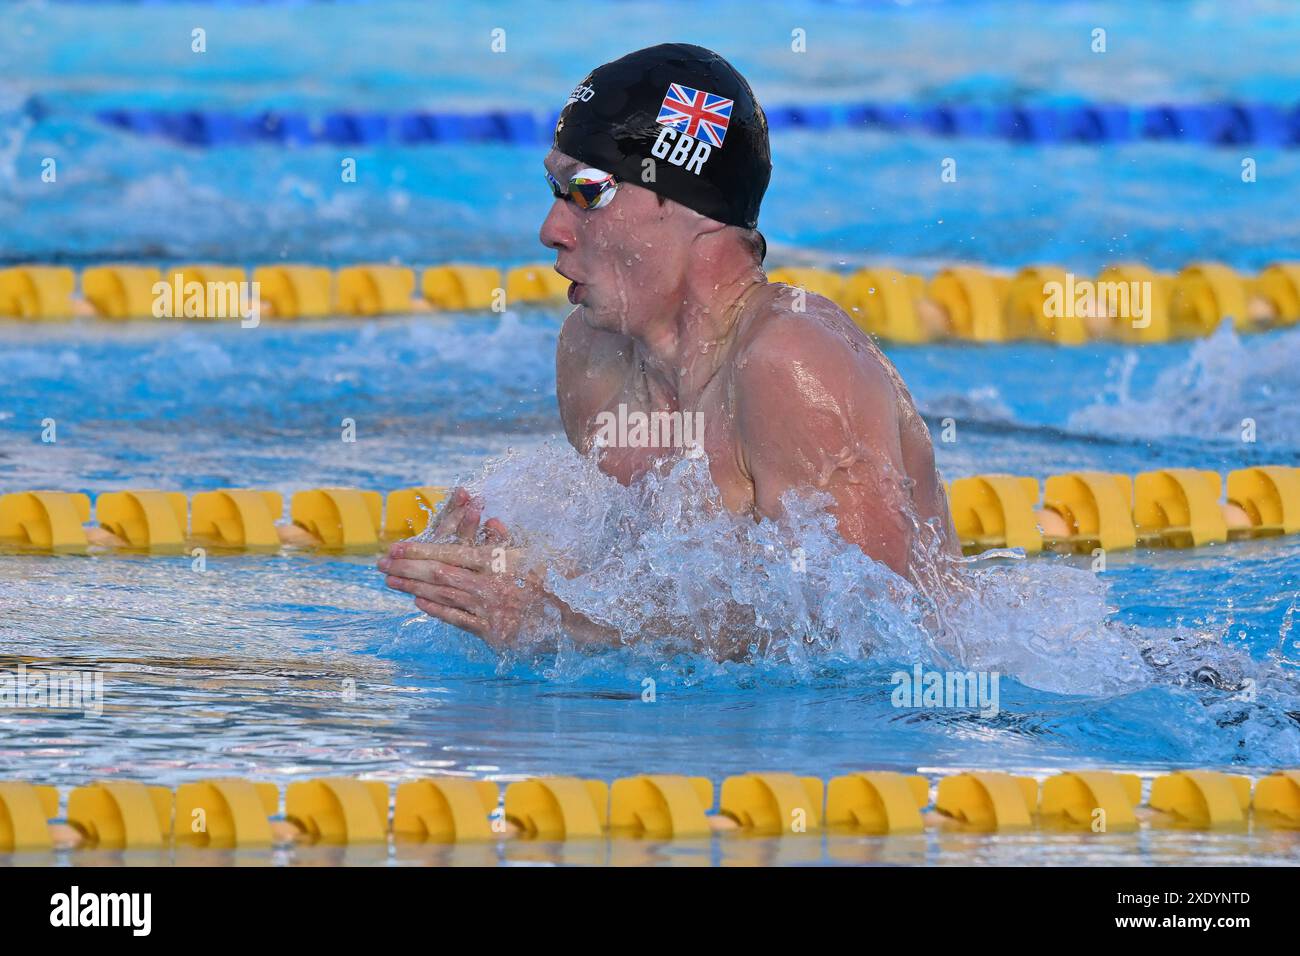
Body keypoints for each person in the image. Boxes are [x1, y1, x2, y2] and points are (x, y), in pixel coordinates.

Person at [379, 43, 959, 652]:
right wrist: (503, 580)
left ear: (692, 207)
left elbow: (877, 641)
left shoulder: (792, 362)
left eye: (585, 192)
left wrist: (567, 632)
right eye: (555, 190)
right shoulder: (593, 354)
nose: (550, 229)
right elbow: (660, 598)